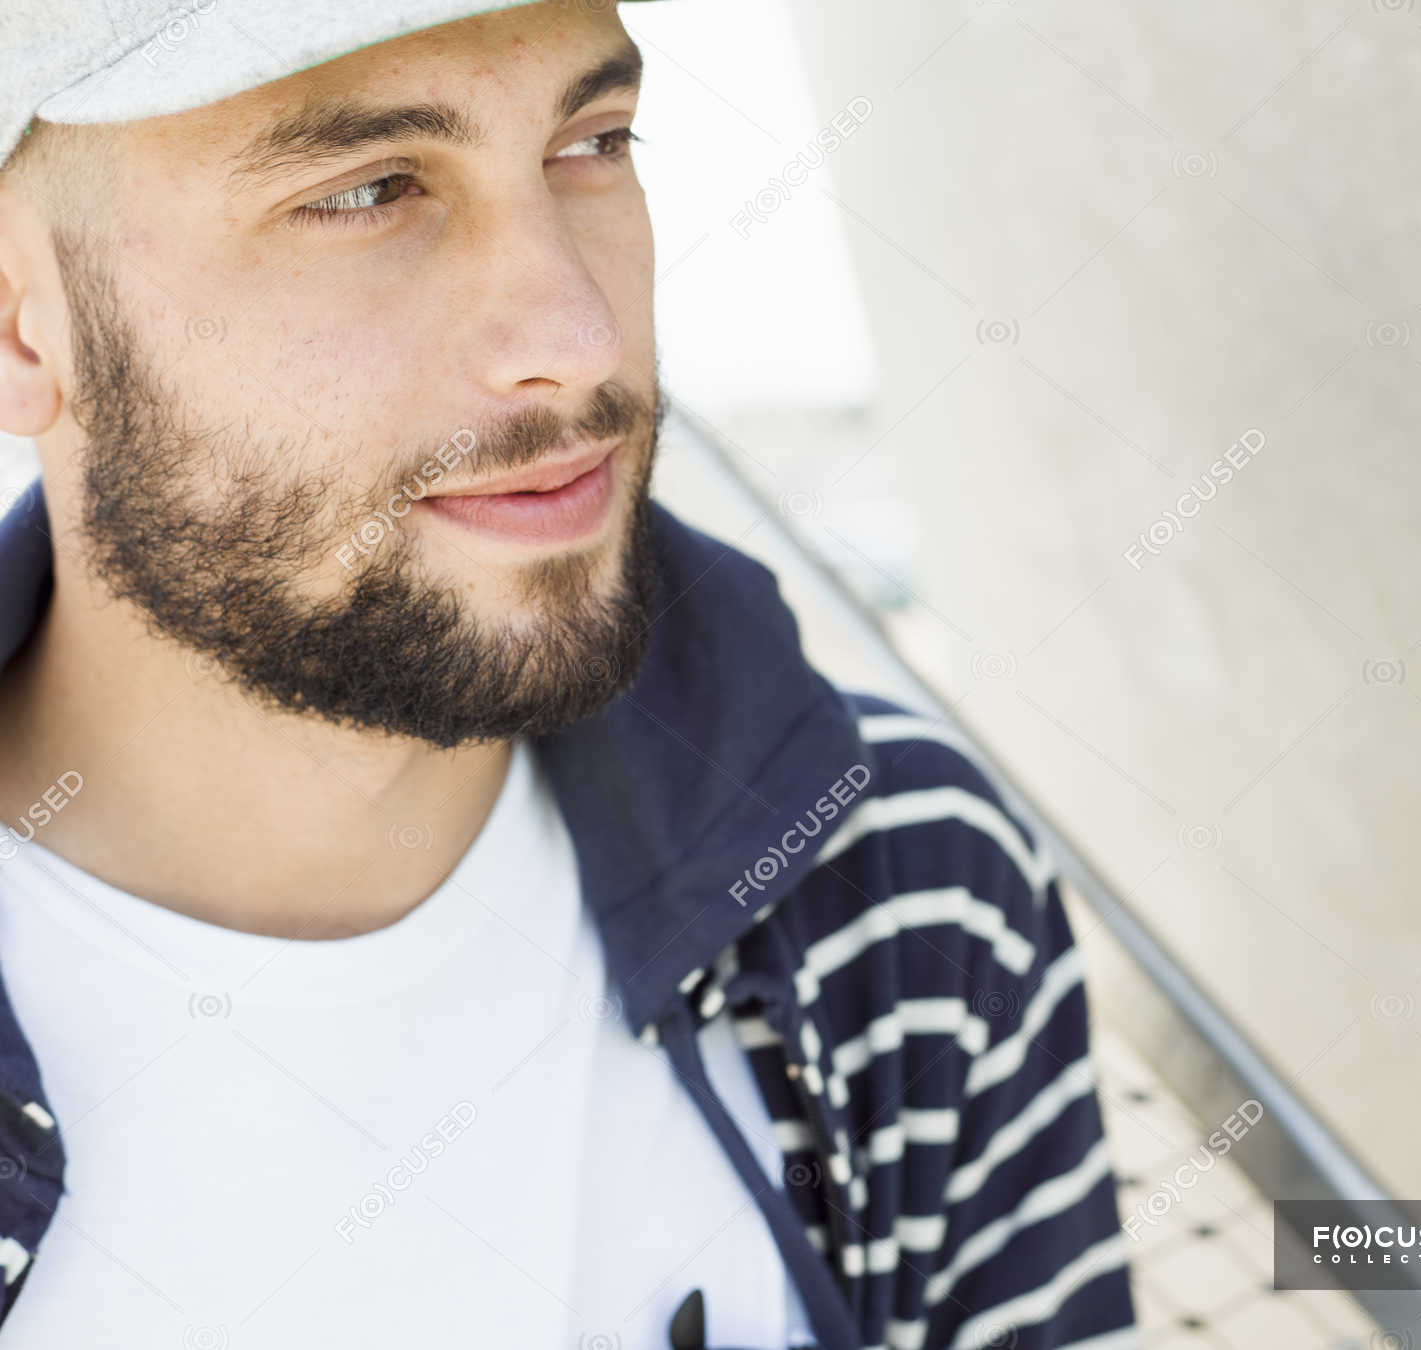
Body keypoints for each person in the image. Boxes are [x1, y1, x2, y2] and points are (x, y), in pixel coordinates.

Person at [0, 2, 1138, 1348]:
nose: (578, 335)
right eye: (367, 190)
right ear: (23, 326)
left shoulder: (889, 880)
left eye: (592, 141)